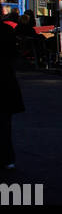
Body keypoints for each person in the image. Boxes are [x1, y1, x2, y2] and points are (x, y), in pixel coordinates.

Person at [0, 21, 25, 168]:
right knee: (5, 123)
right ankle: (8, 158)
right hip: (5, 80)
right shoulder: (7, 30)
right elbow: (15, 55)